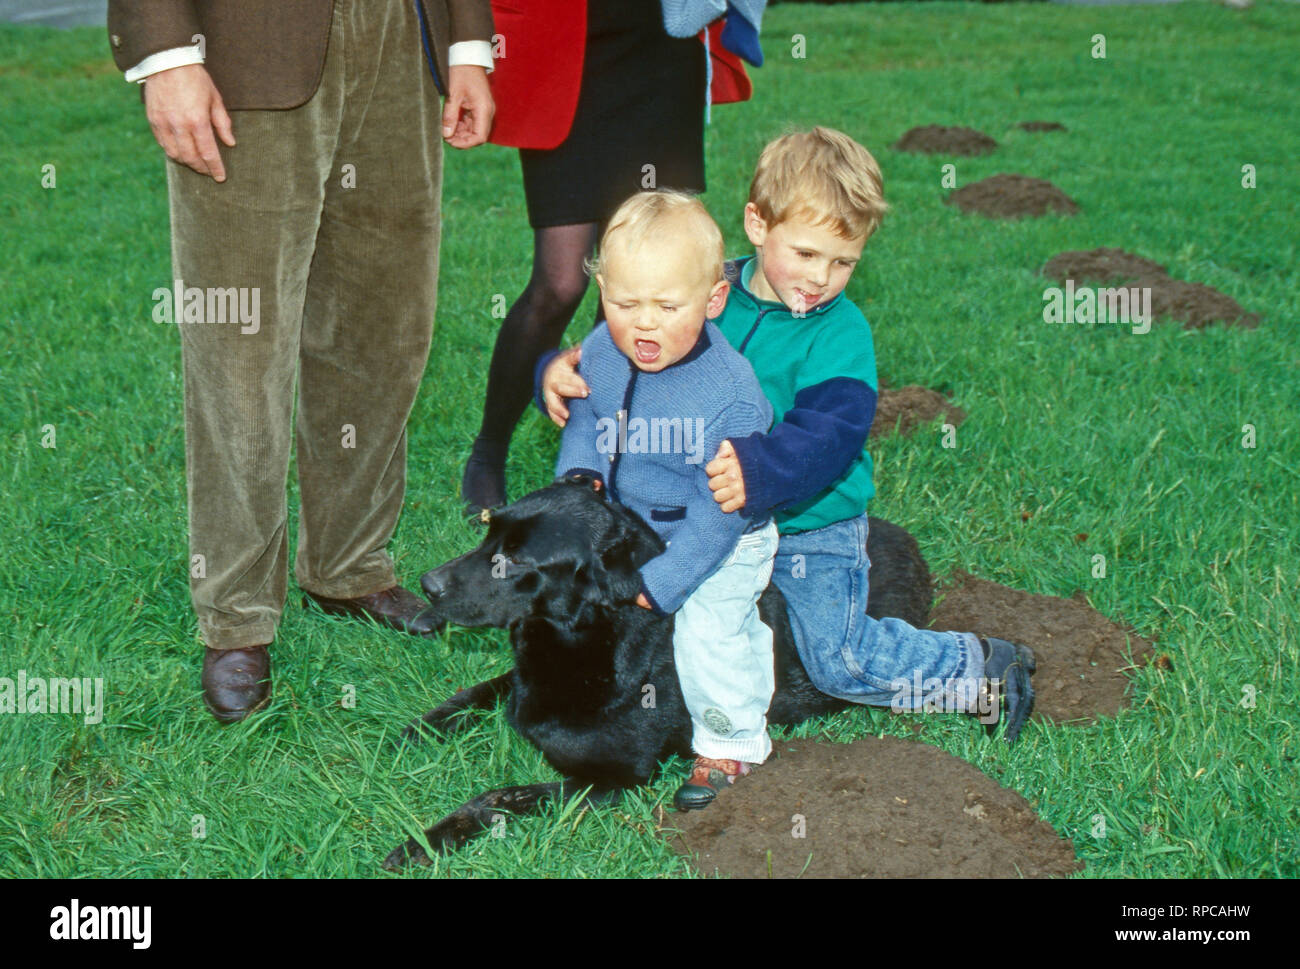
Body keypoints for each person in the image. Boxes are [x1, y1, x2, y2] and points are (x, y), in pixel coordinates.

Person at [542, 128, 1037, 744]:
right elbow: (636, 332)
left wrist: (765, 468)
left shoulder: (839, 334)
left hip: (810, 525)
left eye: (843, 262)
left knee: (836, 660)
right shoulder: (705, 286)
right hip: (703, 514)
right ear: (756, 224)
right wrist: (566, 367)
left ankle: (976, 667)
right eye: (805, 254)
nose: (821, 278)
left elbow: (833, 433)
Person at [107, 0, 495, 722]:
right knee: (240, 351)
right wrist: (166, 55)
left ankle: (347, 565)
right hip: (244, 40)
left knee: (382, 329)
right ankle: (237, 614)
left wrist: (468, 39)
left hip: (401, 46)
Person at [461, 0, 759, 517]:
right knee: (560, 282)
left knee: (643, 277)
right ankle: (489, 450)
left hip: (661, 52)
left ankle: (613, 461)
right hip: (562, 51)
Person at [545, 190, 780, 809]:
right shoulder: (603, 350)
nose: (643, 322)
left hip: (723, 536)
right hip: (638, 521)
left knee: (708, 627)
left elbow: (719, 511)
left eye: (666, 306)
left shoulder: (727, 395)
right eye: (624, 303)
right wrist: (580, 477)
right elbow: (588, 418)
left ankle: (732, 744)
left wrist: (666, 578)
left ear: (714, 301)